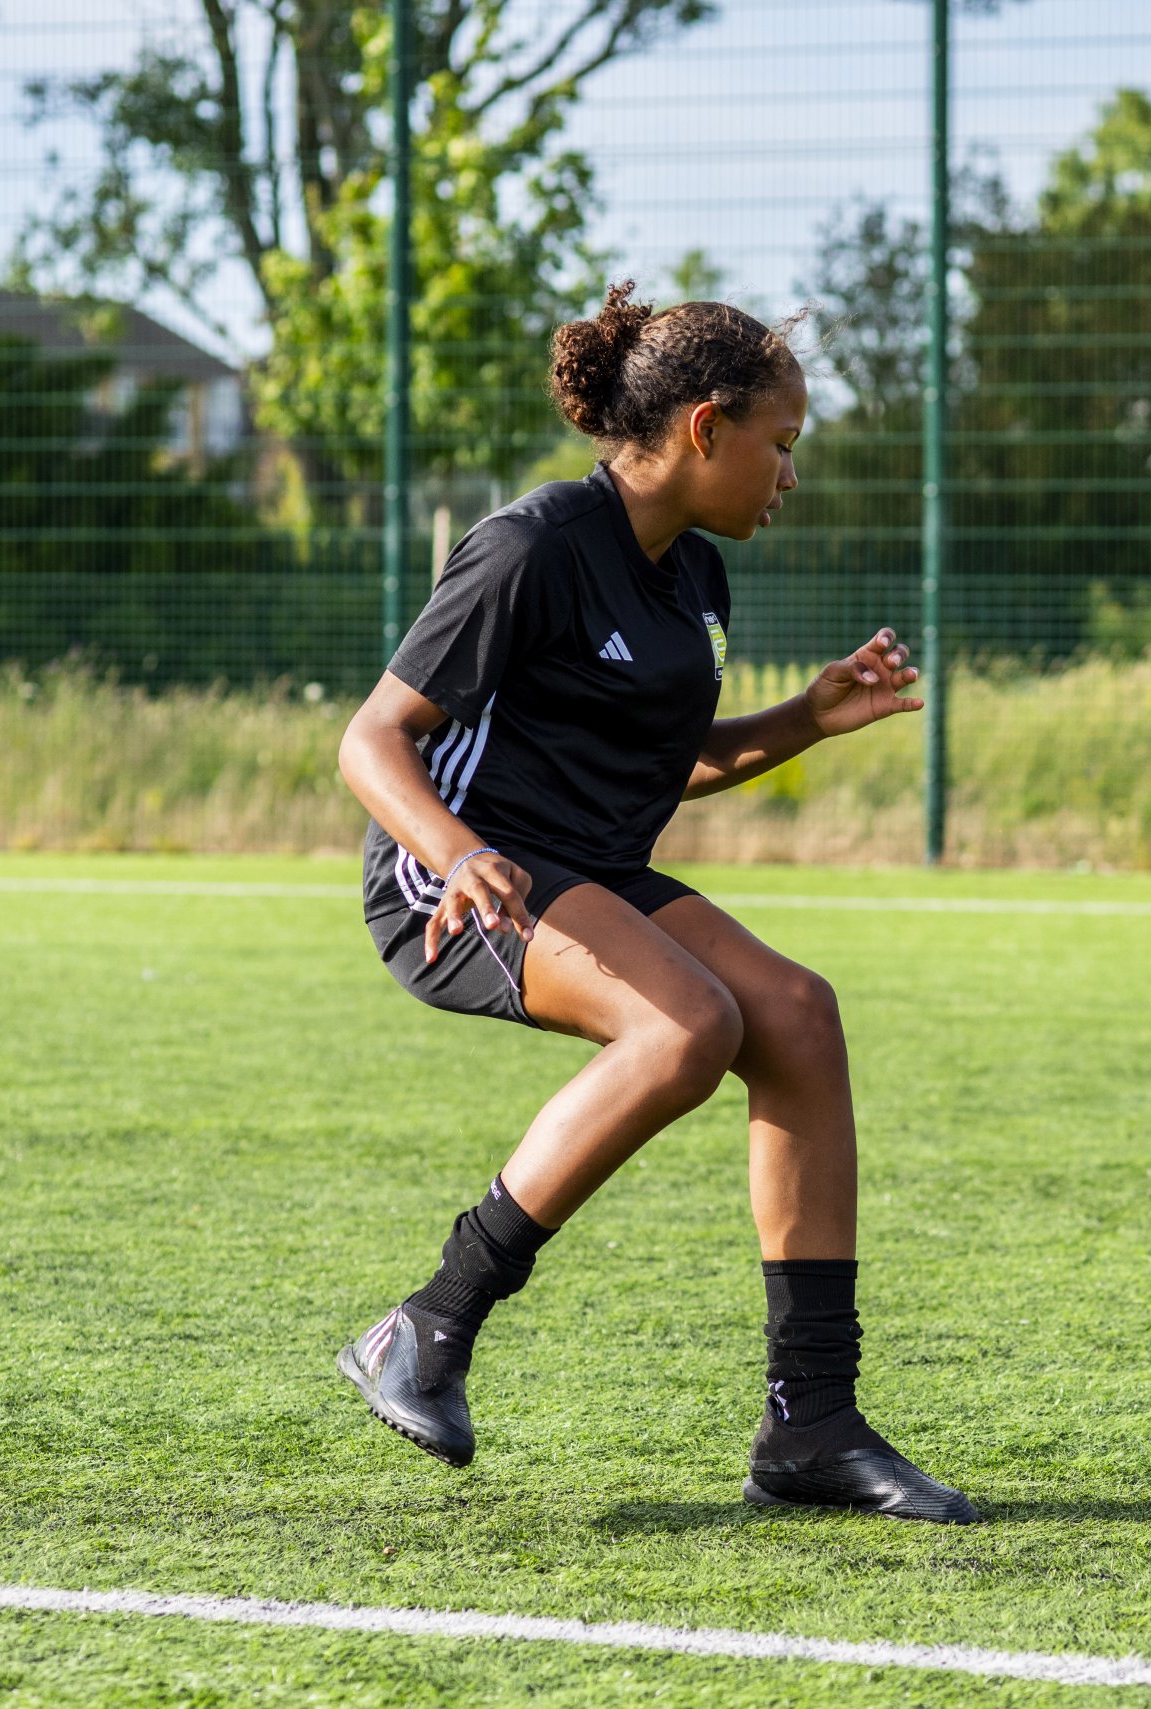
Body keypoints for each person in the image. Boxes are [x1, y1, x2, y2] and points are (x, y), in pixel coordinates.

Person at [333, 282, 976, 1523]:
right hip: (457, 877)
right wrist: (457, 853)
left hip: (591, 868)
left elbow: (660, 763)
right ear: (702, 428)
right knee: (686, 1024)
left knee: (794, 1011)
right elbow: (373, 738)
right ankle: (428, 1323)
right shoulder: (531, 546)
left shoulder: (691, 579)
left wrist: (802, 719)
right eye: (780, 445)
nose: (789, 474)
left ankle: (812, 1424)